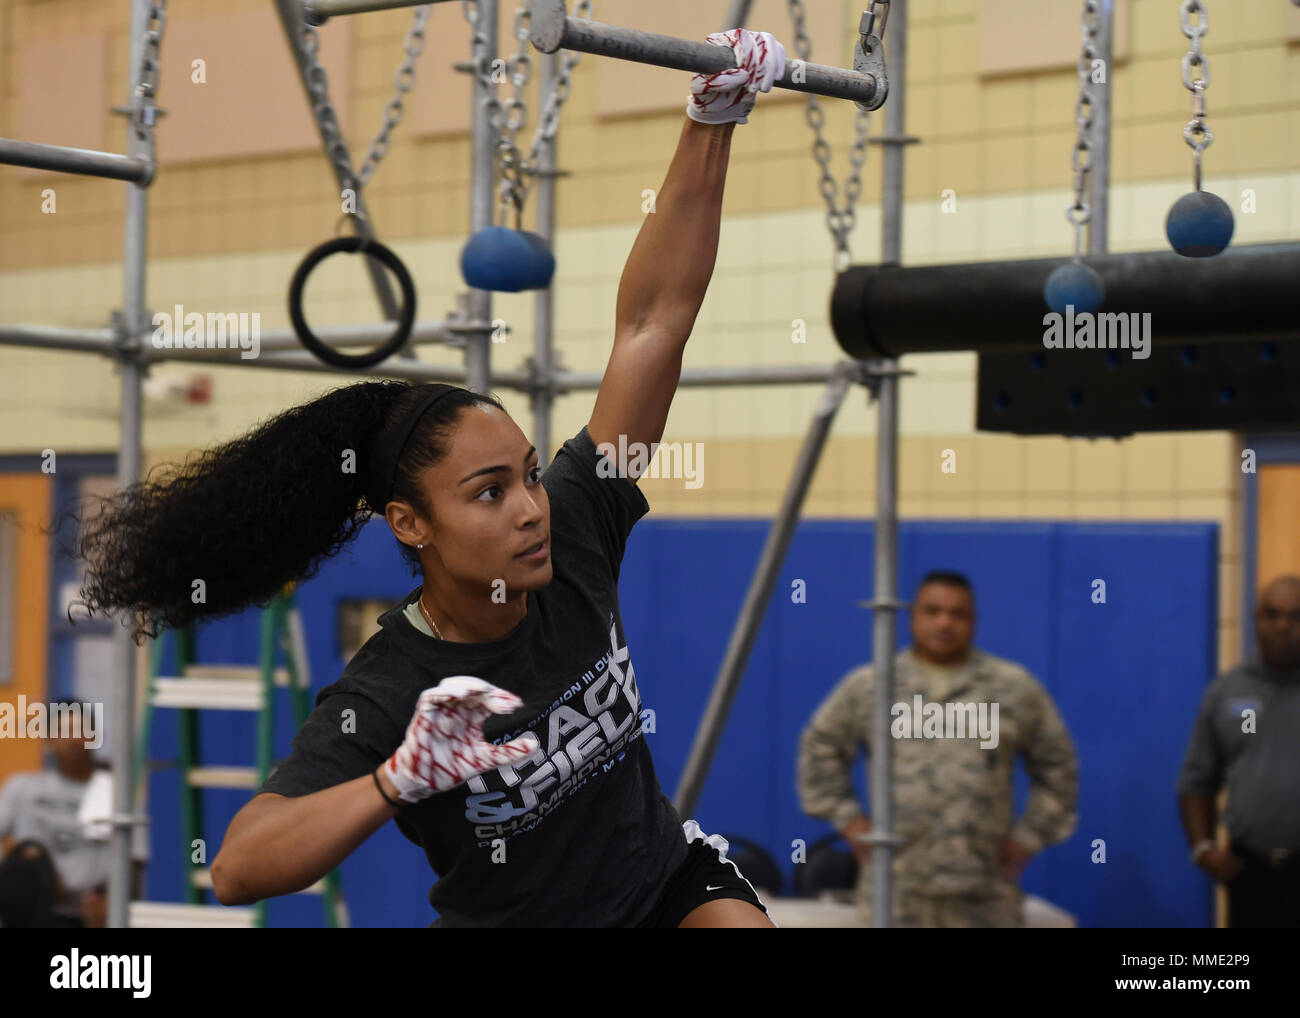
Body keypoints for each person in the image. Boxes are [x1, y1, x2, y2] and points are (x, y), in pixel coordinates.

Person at [69, 29, 789, 929]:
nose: (530, 510)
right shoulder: (391, 689)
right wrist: (396, 778)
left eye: (529, 476)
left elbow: (653, 324)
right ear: (409, 523)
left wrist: (712, 119)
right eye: (489, 492)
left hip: (663, 889)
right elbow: (238, 870)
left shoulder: (577, 525)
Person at [797, 571, 1078, 927]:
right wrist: (849, 820)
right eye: (932, 611)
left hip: (983, 893)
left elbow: (1058, 767)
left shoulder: (1012, 688)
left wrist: (1029, 838)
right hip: (895, 890)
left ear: (974, 620)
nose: (944, 623)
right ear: (912, 617)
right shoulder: (874, 685)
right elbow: (820, 747)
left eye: (958, 614)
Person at [1177, 575, 1300, 928]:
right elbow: (1196, 781)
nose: (1283, 626)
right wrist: (1203, 848)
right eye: (1272, 614)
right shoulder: (1227, 692)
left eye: (1295, 616)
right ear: (1255, 619)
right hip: (1250, 876)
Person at [0, 701, 147, 928]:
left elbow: (134, 863)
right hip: (30, 914)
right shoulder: (22, 788)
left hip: (88, 916)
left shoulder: (117, 794)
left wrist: (113, 906)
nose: (71, 739)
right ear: (48, 740)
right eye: (62, 731)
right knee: (29, 853)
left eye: (79, 730)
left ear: (94, 736)